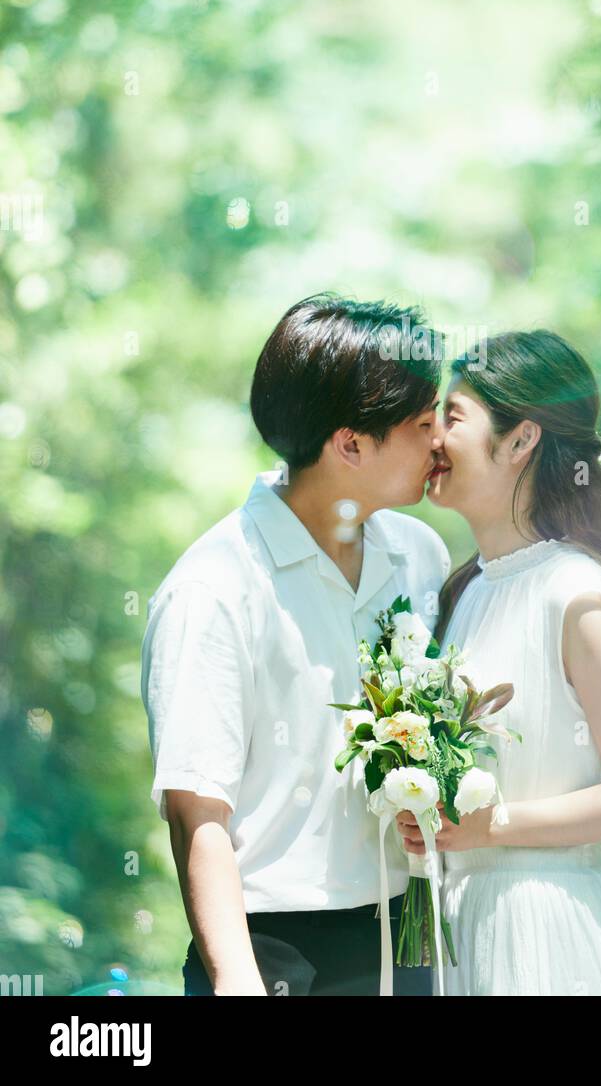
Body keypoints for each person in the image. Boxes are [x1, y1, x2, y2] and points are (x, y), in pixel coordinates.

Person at [140, 294, 451, 996]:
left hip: (407, 930)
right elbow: (198, 813)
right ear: (351, 444)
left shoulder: (419, 554)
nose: (441, 442)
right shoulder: (215, 587)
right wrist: (238, 979)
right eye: (424, 422)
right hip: (279, 948)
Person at [399, 328, 601, 995]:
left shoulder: (575, 593)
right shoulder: (463, 591)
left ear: (521, 440)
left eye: (453, 416)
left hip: (549, 932)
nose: (432, 436)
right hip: (463, 923)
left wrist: (493, 827)